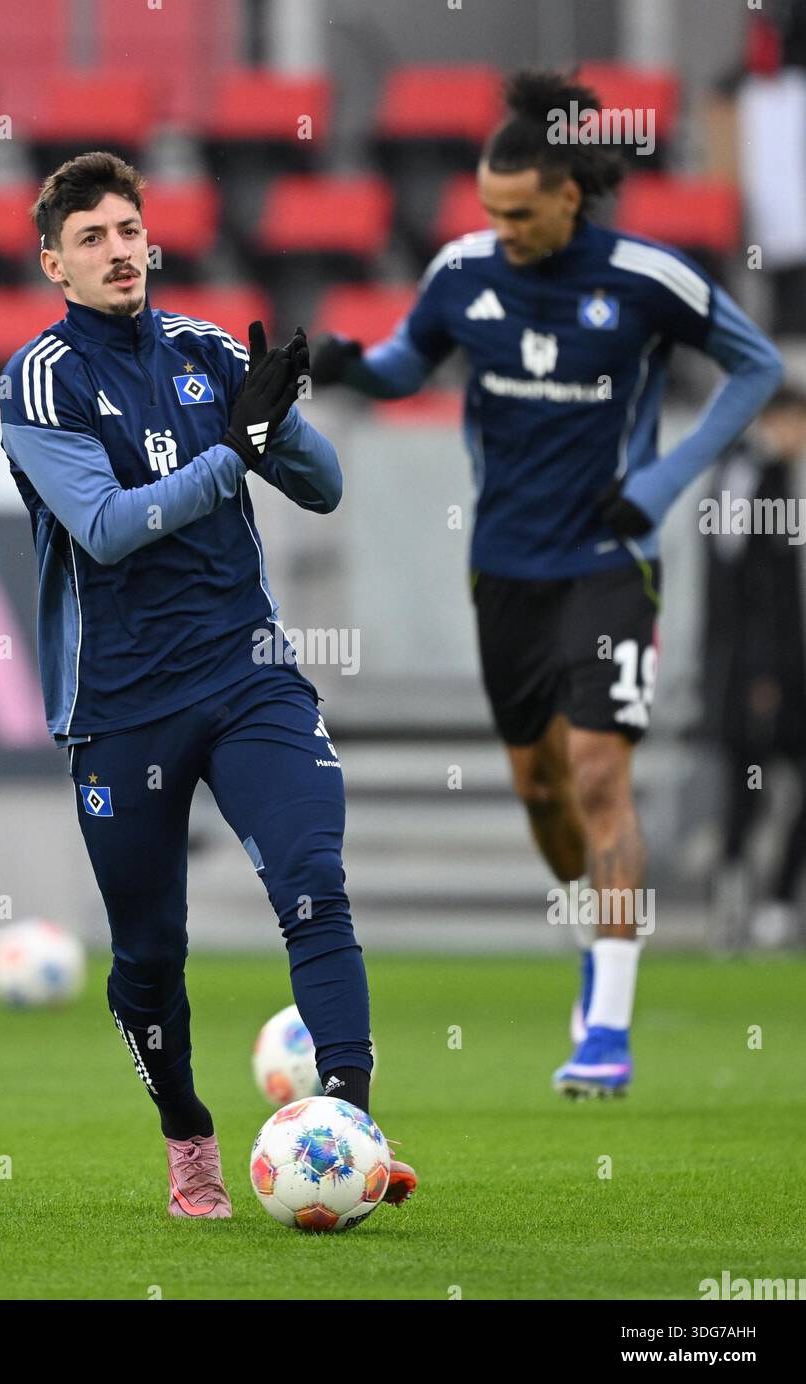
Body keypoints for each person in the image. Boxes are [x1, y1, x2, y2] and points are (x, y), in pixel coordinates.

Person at [310, 71, 785, 1098]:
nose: (502, 230)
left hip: (610, 564)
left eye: (519, 214)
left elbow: (753, 367)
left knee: (599, 772)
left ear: (571, 194)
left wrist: (658, 483)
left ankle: (607, 1024)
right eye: (490, 211)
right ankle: (593, 929)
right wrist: (344, 362)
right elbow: (407, 364)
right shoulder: (462, 271)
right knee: (539, 787)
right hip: (505, 570)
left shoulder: (650, 278)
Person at [0, 151, 416, 1217]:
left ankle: (353, 1129)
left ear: (154, 241)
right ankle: (188, 1132)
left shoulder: (204, 349)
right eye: (90, 238)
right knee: (148, 956)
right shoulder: (38, 380)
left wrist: (279, 422)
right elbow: (104, 529)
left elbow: (318, 488)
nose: (117, 250)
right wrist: (235, 452)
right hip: (123, 706)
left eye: (129, 230)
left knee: (314, 882)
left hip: (247, 673)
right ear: (54, 263)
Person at [701, 385, 806, 951]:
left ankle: (773, 900)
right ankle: (735, 898)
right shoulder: (742, 476)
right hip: (751, 673)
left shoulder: (774, 479)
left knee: (762, 786)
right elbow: (737, 586)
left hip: (783, 668)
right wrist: (759, 671)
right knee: (745, 787)